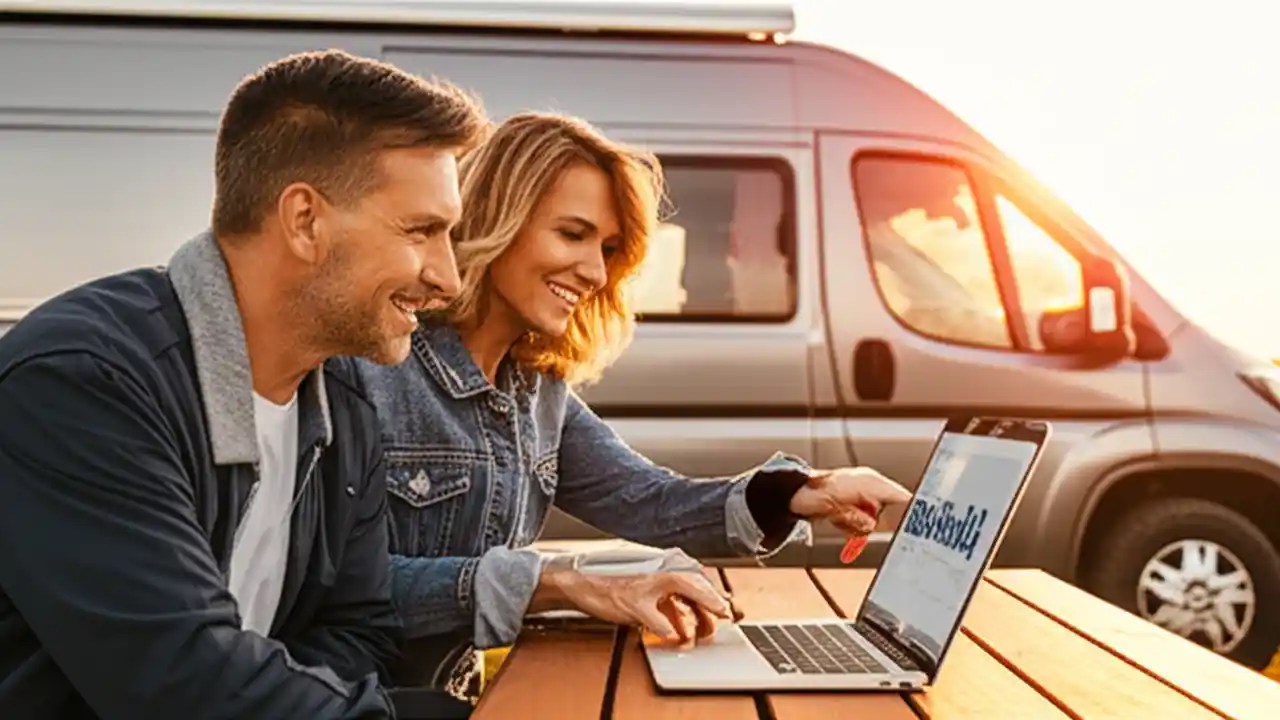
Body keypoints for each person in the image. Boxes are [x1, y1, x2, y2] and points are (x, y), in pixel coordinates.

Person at [356, 112, 913, 700]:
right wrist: (561, 582)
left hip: (459, 696)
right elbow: (342, 592)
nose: (596, 272)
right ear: (497, 221)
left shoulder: (537, 391)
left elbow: (652, 500)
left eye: (608, 248)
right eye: (572, 234)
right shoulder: (375, 373)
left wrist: (801, 493)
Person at [0, 50, 488, 719]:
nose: (447, 278)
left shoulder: (341, 404)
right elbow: (180, 681)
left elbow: (359, 632)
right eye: (421, 232)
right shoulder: (82, 385)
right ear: (305, 221)